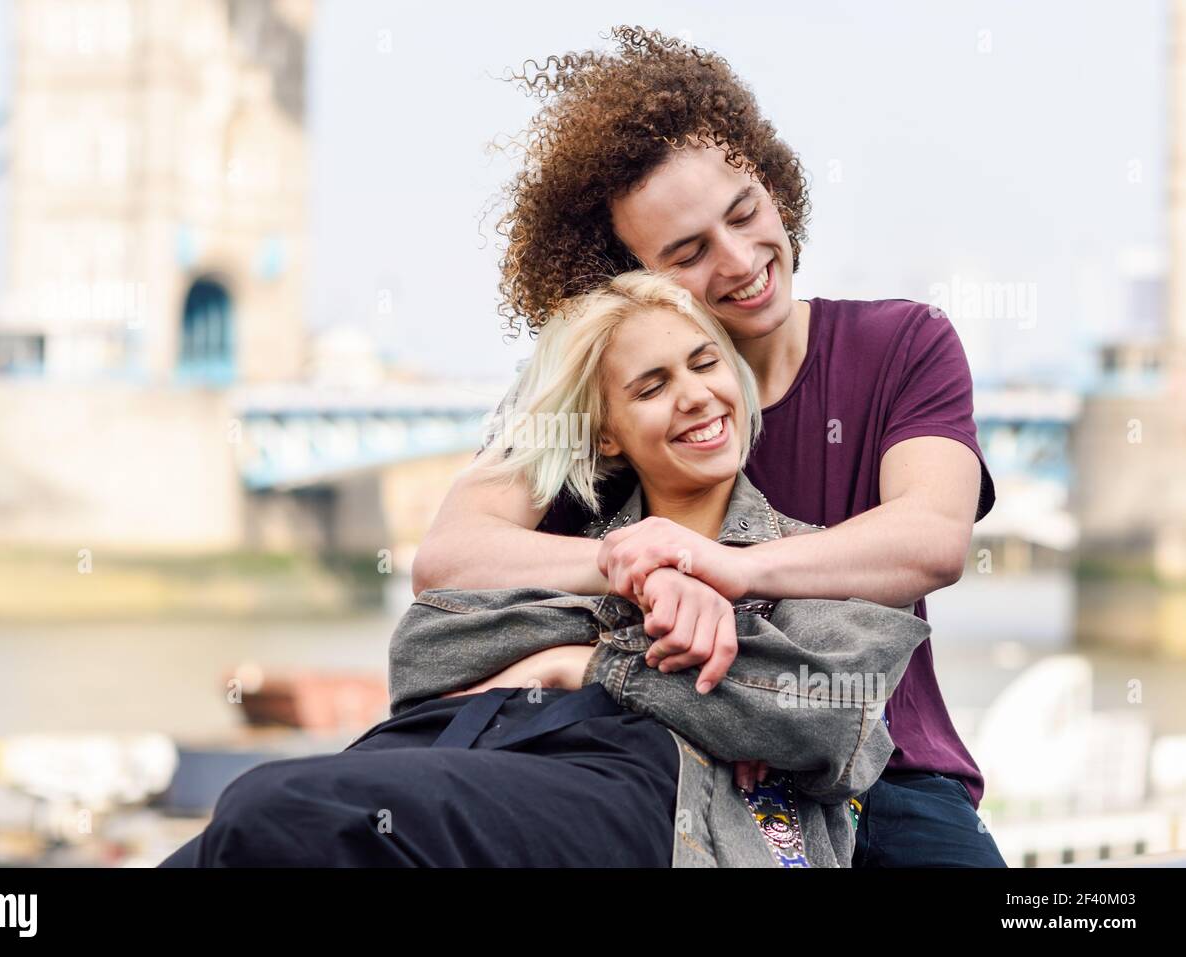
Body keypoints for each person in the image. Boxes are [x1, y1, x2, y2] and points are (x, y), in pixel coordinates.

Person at [411, 25, 1004, 868]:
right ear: (631, 275)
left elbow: (930, 538)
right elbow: (451, 556)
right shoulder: (590, 389)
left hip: (883, 771)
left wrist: (720, 566)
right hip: (654, 754)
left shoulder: (903, 344)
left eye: (744, 212)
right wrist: (639, 565)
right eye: (688, 252)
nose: (740, 260)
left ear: (771, 181)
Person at [159, 272, 935, 868]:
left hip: (653, 787)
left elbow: (841, 719)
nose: (697, 396)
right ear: (605, 437)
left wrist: (587, 661)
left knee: (272, 805)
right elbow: (425, 659)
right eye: (653, 385)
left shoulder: (808, 555)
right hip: (473, 751)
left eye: (705, 363)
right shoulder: (569, 548)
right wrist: (631, 589)